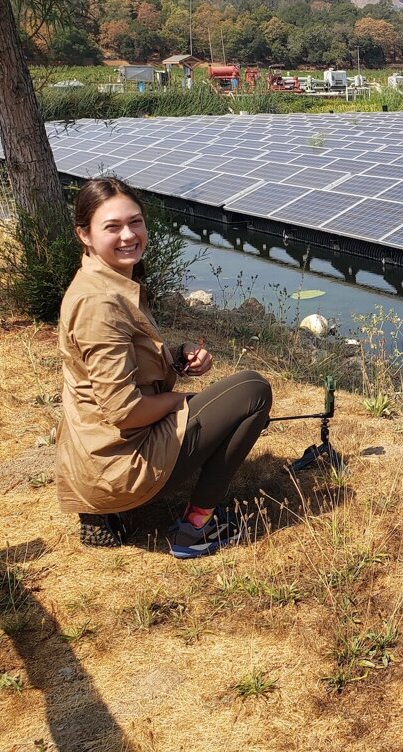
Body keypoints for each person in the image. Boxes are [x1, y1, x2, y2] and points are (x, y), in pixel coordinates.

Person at [56, 177, 273, 557]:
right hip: (119, 460)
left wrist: (177, 356)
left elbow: (122, 365)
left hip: (98, 455)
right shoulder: (99, 305)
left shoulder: (106, 282)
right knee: (252, 390)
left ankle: (110, 511)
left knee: (228, 398)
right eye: (112, 227)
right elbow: (125, 411)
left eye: (135, 222)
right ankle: (196, 528)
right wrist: (181, 401)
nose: (128, 235)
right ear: (84, 235)